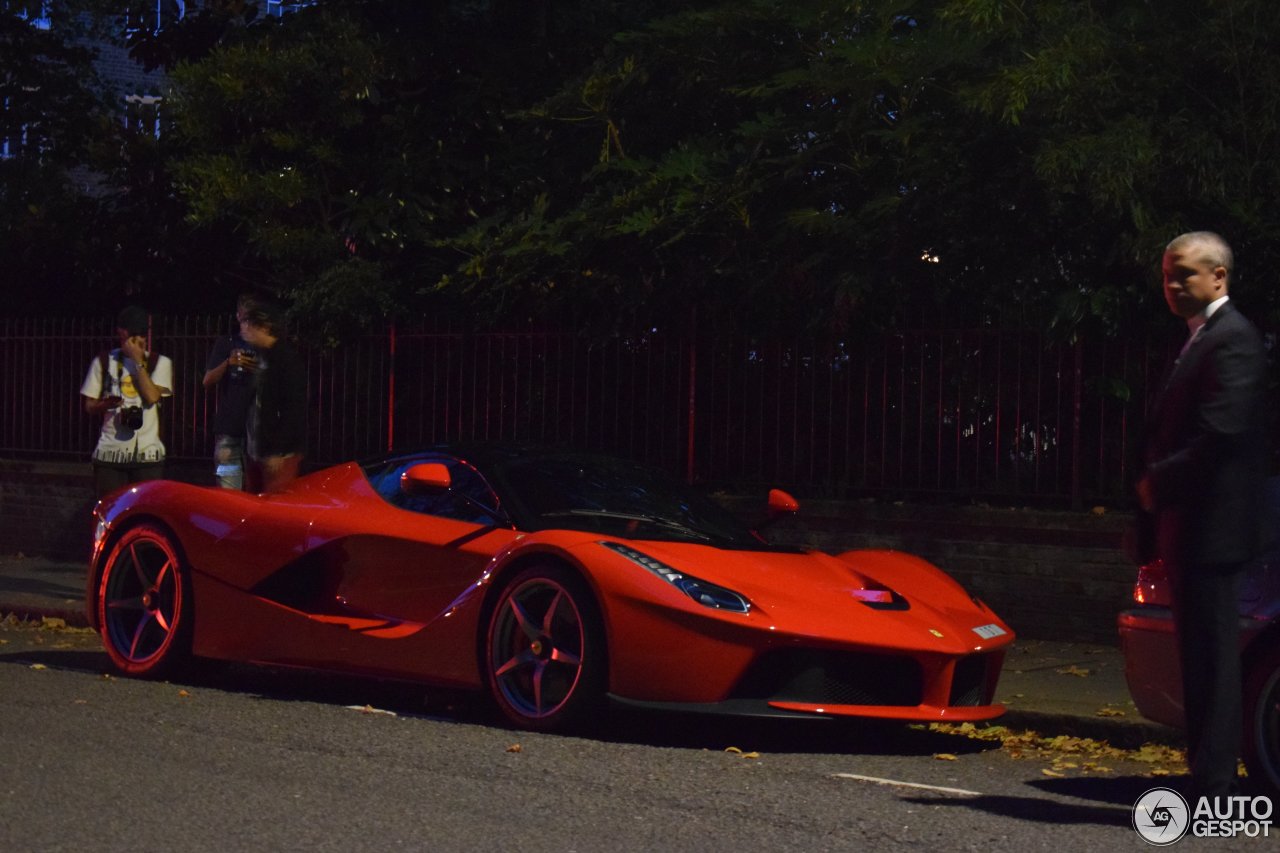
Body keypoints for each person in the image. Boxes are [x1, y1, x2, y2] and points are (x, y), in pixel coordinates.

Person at [1135, 231, 1269, 802]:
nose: (1171, 284)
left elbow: (1223, 432)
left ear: (1219, 276)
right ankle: (1207, 778)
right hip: (1195, 528)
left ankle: (1214, 787)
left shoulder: (1232, 339)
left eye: (1183, 273)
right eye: (1167, 273)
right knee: (1200, 658)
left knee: (1212, 662)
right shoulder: (1200, 337)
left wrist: (1156, 482)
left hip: (1214, 529)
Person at [80, 305, 174, 498]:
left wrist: (138, 362)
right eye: (132, 334)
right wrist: (105, 404)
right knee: (110, 512)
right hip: (110, 455)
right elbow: (89, 405)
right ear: (121, 332)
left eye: (141, 334)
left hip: (147, 456)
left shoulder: (159, 363)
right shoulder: (104, 361)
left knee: (145, 512)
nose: (138, 340)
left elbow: (152, 397)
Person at [239, 300, 306, 493]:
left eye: (249, 324)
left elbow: (294, 408)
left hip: (278, 454)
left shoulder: (285, 360)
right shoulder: (260, 357)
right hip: (258, 449)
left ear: (265, 327)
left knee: (274, 504)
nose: (244, 329)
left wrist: (278, 449)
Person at [202, 294, 261, 489]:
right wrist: (228, 363)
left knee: (259, 498)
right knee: (229, 497)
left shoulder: (266, 346)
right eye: (244, 319)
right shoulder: (226, 343)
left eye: (252, 319)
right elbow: (207, 381)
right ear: (237, 317)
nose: (248, 324)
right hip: (229, 434)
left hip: (260, 435)